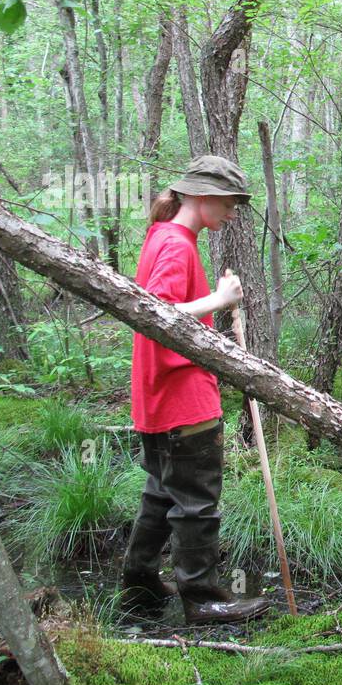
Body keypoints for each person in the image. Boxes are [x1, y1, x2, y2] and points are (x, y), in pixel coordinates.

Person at [118, 155, 271, 624]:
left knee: (161, 495)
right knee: (197, 505)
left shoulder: (165, 237)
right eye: (229, 202)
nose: (233, 213)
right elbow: (156, 311)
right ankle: (202, 599)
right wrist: (220, 301)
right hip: (183, 400)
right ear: (202, 195)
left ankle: (140, 586)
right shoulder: (177, 244)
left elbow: (162, 308)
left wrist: (210, 304)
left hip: (156, 398)